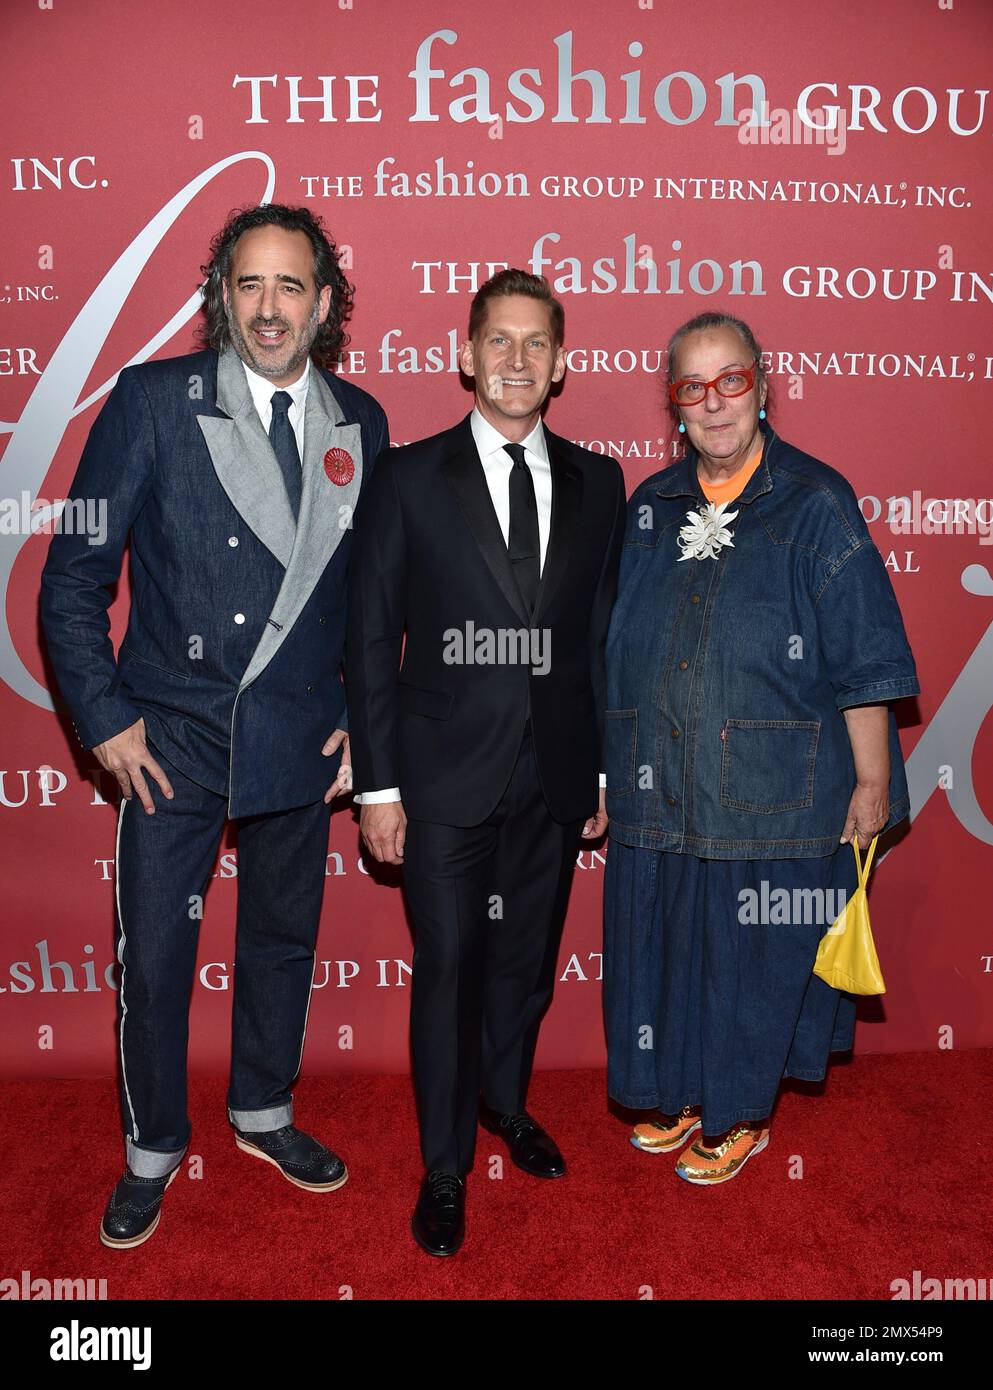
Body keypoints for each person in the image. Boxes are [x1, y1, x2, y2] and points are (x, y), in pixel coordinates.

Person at [40, 204, 389, 1247]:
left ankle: (263, 1108)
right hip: (172, 737)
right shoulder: (153, 403)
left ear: (324, 303)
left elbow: (379, 601)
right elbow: (72, 580)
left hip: (300, 734)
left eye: (291, 286)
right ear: (220, 296)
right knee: (153, 960)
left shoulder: (361, 420)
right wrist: (105, 722)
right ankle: (152, 1149)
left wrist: (364, 727)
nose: (270, 308)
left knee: (282, 942)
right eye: (250, 285)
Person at [602, 311, 919, 1184]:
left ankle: (739, 1114)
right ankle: (691, 1094)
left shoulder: (816, 501)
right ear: (673, 405)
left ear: (763, 385)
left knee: (747, 955)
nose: (713, 403)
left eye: (729, 381)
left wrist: (867, 780)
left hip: (774, 790)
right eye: (691, 388)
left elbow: (862, 660)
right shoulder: (648, 509)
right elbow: (615, 649)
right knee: (674, 945)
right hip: (659, 783)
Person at [346, 269, 625, 1255]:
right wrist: (377, 785)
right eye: (497, 342)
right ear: (465, 356)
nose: (515, 361)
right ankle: (445, 1166)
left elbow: (593, 639)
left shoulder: (601, 483)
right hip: (439, 782)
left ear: (560, 363)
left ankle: (505, 1104)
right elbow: (373, 640)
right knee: (452, 966)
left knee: (524, 964)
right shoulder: (408, 476)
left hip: (550, 777)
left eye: (535, 344)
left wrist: (593, 772)